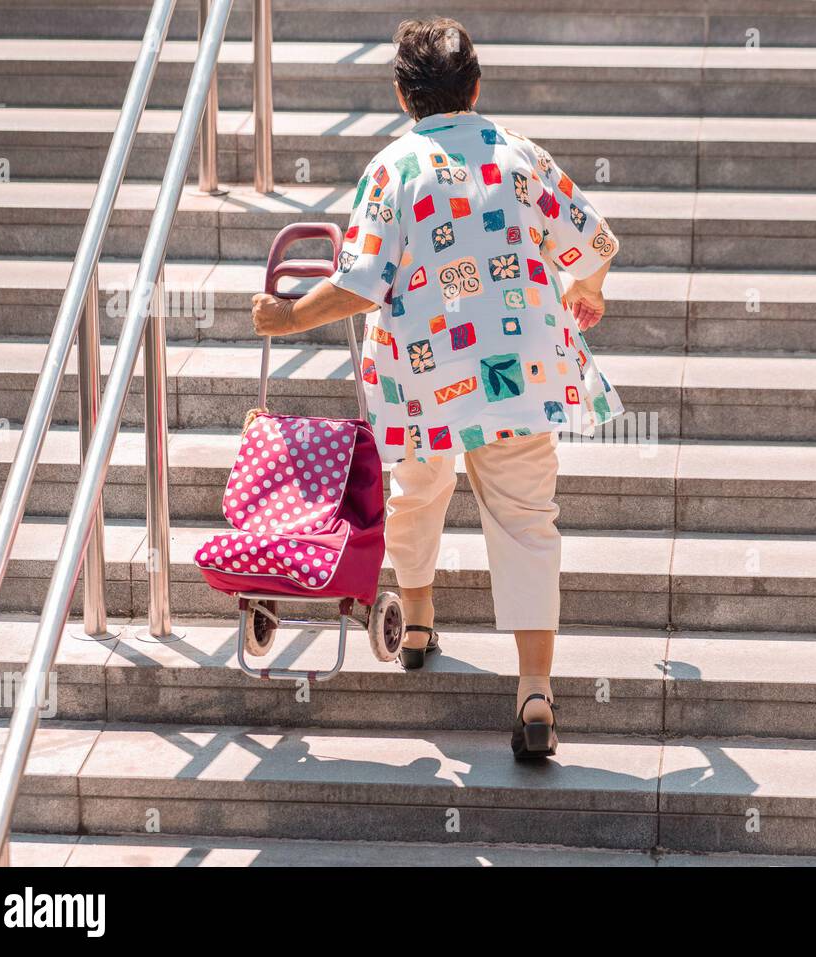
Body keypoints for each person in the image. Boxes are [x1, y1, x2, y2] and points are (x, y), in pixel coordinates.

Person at [250, 16, 623, 760]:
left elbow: (358, 284)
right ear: (477, 86)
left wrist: (286, 317)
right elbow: (593, 239)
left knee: (417, 492)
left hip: (423, 381)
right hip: (518, 378)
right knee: (525, 520)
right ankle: (535, 690)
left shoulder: (393, 168)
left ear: (401, 95)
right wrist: (589, 289)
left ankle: (417, 619)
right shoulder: (519, 155)